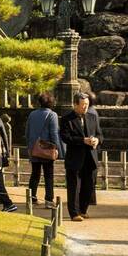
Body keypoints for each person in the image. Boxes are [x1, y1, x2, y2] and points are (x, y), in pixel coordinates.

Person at [61, 92, 102, 222]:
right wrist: (82, 140)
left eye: (87, 105)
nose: (85, 107)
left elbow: (100, 135)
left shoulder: (92, 117)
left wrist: (97, 140)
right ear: (75, 104)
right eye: (83, 105)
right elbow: (65, 137)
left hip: (90, 157)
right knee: (74, 186)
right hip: (75, 157)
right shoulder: (67, 118)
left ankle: (83, 210)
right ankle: (74, 213)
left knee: (88, 185)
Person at [25, 92, 62, 208]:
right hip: (47, 149)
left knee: (35, 174)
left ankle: (32, 198)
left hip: (34, 149)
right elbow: (54, 133)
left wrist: (30, 147)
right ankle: (49, 200)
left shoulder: (32, 114)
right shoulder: (52, 115)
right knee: (48, 175)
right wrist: (57, 148)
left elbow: (27, 132)